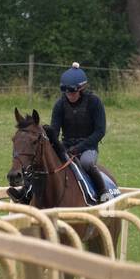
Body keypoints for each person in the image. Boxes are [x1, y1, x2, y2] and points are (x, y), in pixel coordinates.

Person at [49, 62, 113, 201]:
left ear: (81, 89)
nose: (69, 95)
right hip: (66, 145)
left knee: (87, 163)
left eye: (73, 92)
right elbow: (54, 130)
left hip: (88, 147)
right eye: (66, 92)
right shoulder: (59, 104)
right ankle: (28, 192)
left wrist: (79, 148)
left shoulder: (94, 102)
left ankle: (103, 192)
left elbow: (100, 131)